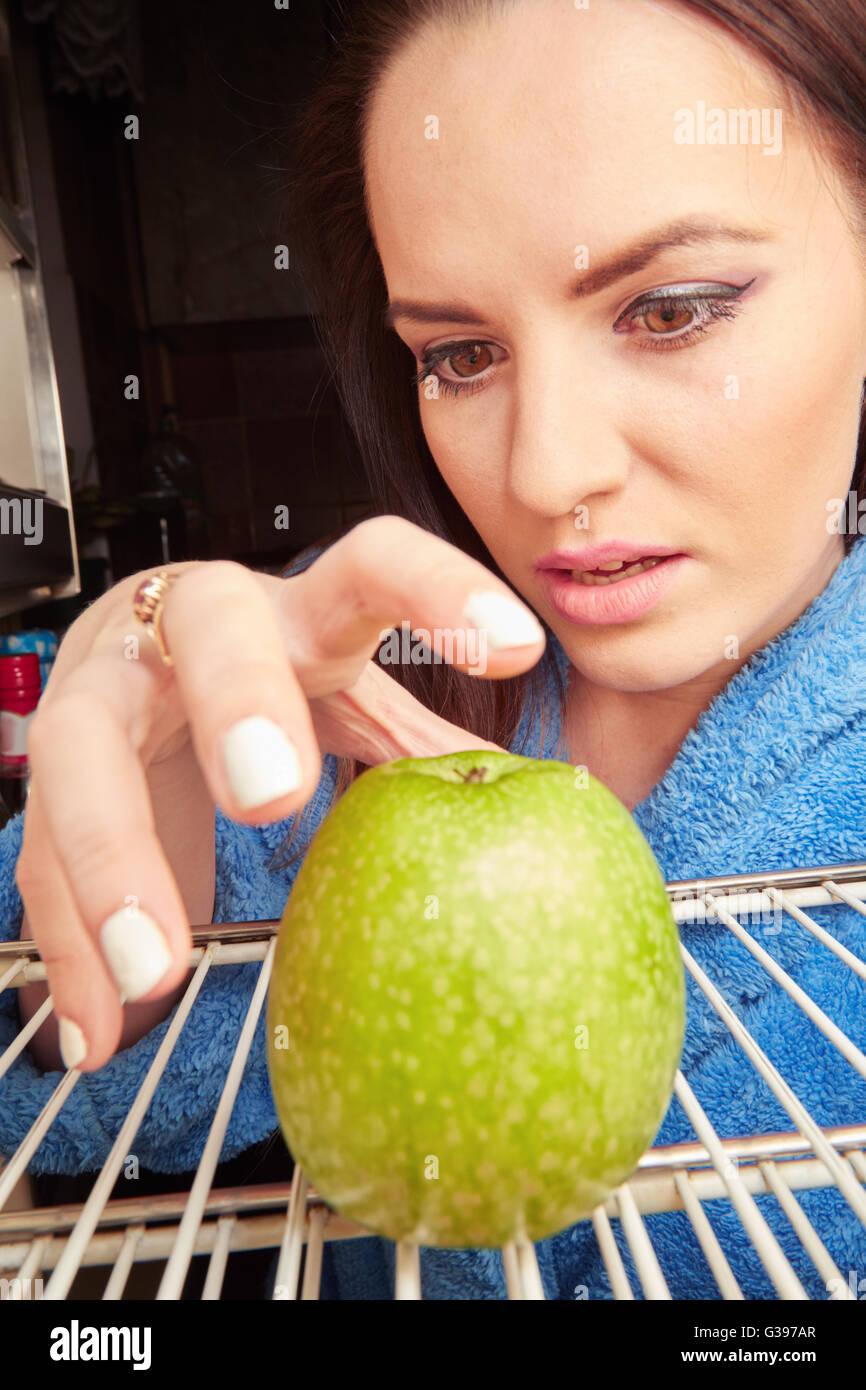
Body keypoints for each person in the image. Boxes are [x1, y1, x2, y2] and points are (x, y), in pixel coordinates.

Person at [2, 0, 866, 1300]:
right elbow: (63, 1102)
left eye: (673, 308)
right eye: (458, 354)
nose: (544, 472)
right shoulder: (343, 676)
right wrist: (122, 900)